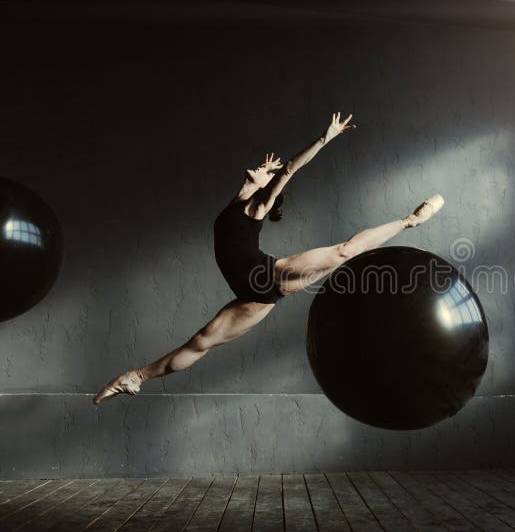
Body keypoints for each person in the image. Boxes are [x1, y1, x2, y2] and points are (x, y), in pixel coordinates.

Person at [93, 112, 444, 404]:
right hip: (253, 297)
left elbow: (290, 168)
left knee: (343, 252)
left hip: (269, 276)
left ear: (266, 189)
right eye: (265, 170)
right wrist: (261, 174)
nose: (265, 168)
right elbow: (273, 172)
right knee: (201, 341)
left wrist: (326, 137)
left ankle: (410, 220)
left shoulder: (256, 206)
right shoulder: (236, 203)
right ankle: (134, 377)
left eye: (268, 174)